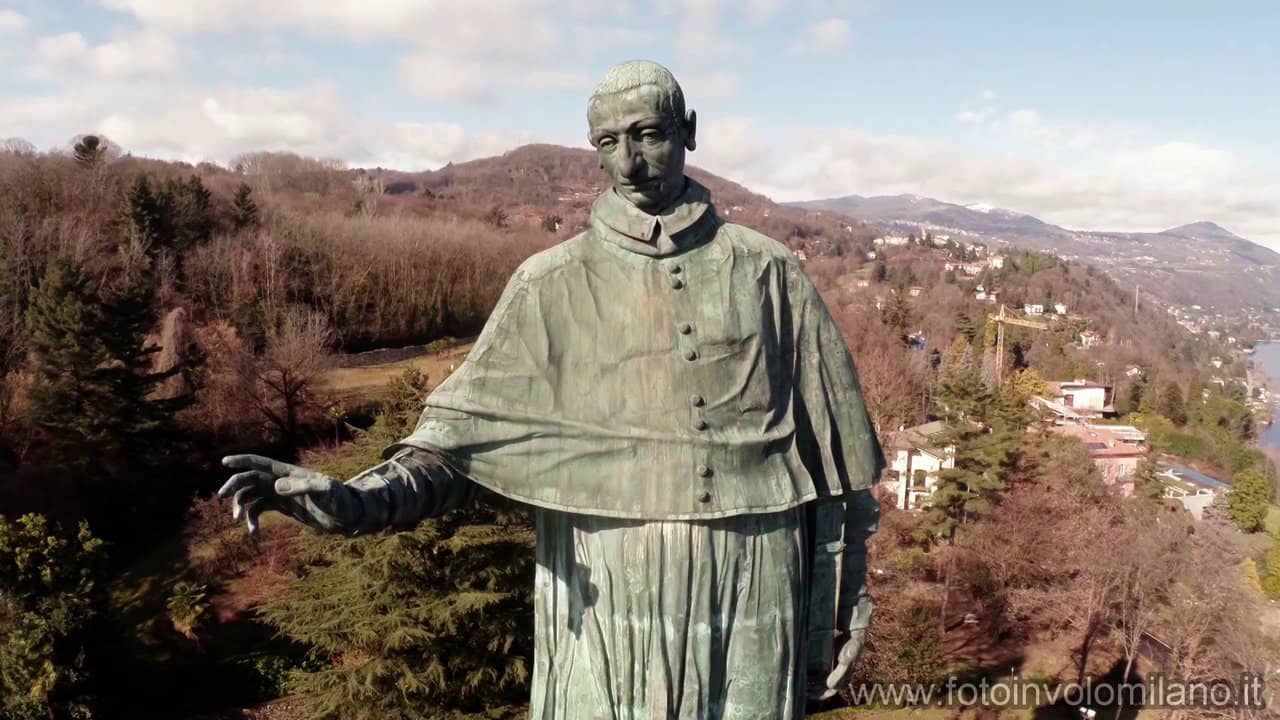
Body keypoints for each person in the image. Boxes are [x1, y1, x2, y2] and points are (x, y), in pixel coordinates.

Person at [220, 59, 883, 720]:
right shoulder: (548, 284)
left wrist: (836, 609)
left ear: (689, 131)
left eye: (647, 133)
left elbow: (837, 469)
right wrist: (356, 501)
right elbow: (455, 446)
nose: (628, 162)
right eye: (606, 143)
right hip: (602, 582)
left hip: (753, 578)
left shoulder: (768, 272)